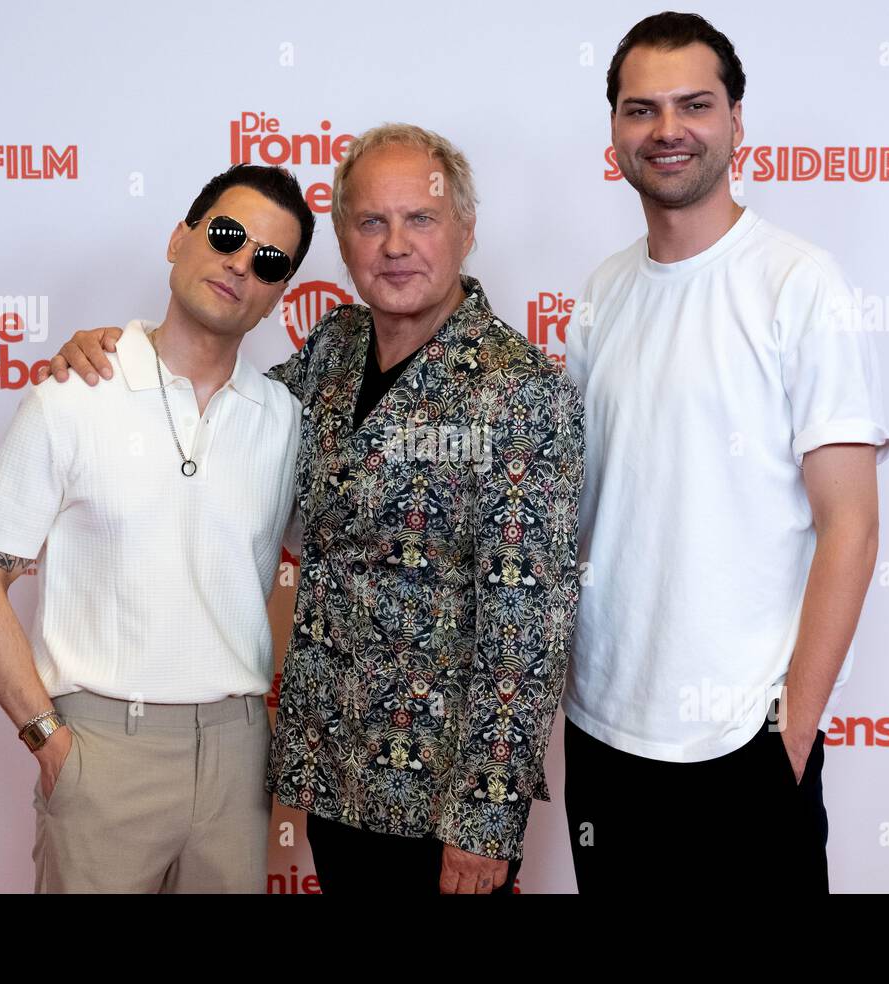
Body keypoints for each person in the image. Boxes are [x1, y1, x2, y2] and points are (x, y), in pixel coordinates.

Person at [42, 124, 586, 894]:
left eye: (420, 219)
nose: (395, 244)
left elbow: (527, 625)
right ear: (345, 242)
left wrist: (487, 822)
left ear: (465, 231)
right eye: (372, 222)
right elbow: (224, 414)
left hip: (441, 804)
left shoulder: (521, 389)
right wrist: (122, 353)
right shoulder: (335, 348)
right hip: (333, 774)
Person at [562, 12, 889, 894]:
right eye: (642, 110)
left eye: (694, 105)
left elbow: (851, 525)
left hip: (742, 744)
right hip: (603, 729)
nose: (668, 130)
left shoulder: (799, 283)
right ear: (616, 133)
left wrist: (788, 729)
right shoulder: (603, 291)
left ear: (737, 122)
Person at [0, 163, 315, 893]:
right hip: (100, 751)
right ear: (180, 238)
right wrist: (49, 740)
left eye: (268, 262)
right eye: (226, 235)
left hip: (240, 756)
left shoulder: (285, 419)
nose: (240, 263)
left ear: (278, 297)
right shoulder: (74, 393)